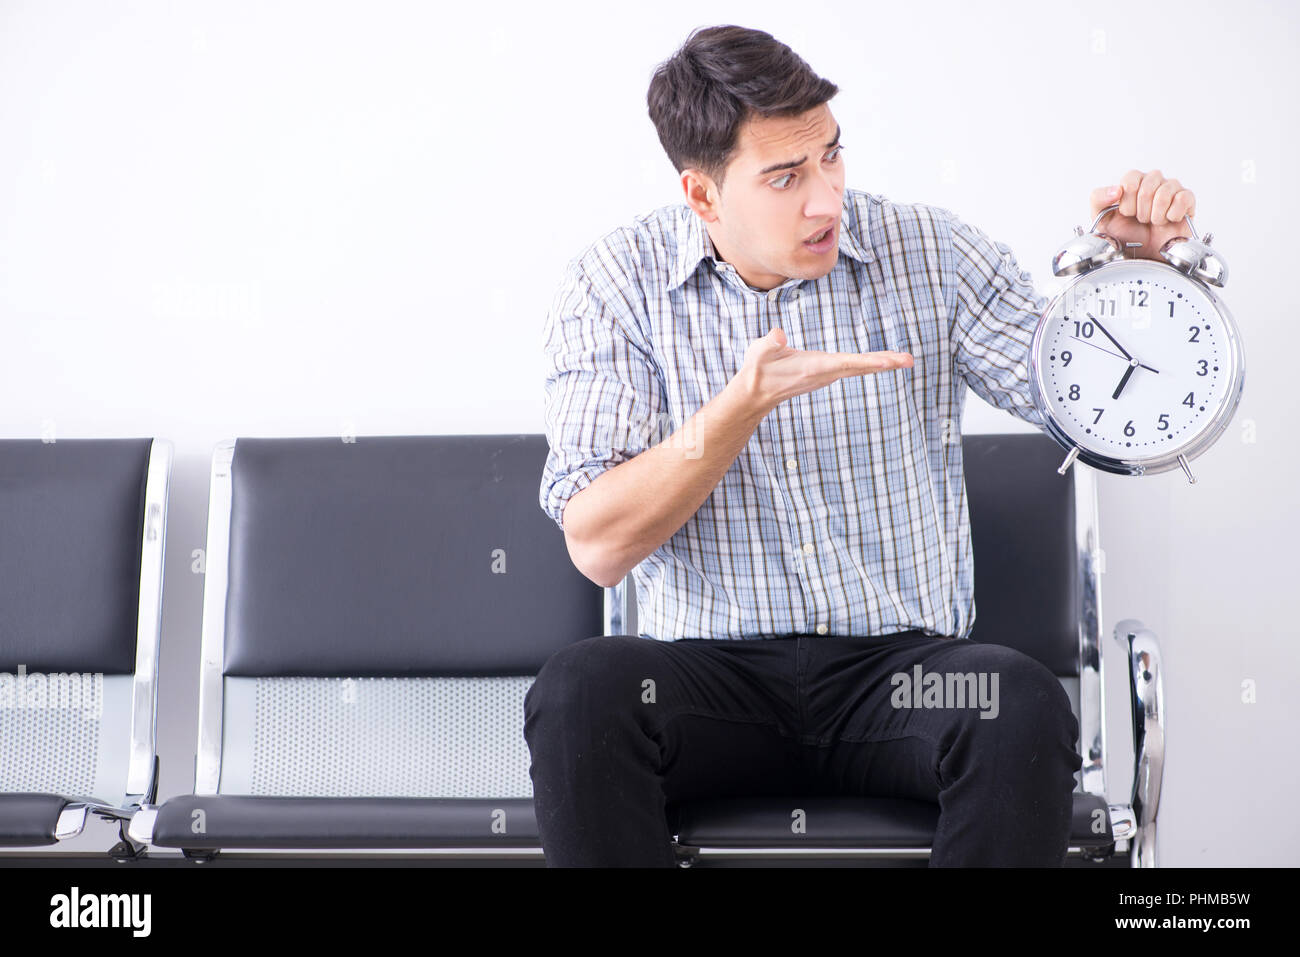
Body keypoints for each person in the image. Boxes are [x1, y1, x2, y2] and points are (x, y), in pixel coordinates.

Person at [525, 23, 1197, 867]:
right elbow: (596, 543)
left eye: (830, 157)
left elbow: (1083, 401)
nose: (825, 198)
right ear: (702, 197)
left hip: (906, 679)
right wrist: (738, 408)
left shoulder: (928, 253)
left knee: (1016, 700)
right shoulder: (614, 284)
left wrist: (1131, 280)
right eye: (785, 177)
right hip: (708, 681)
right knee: (581, 692)